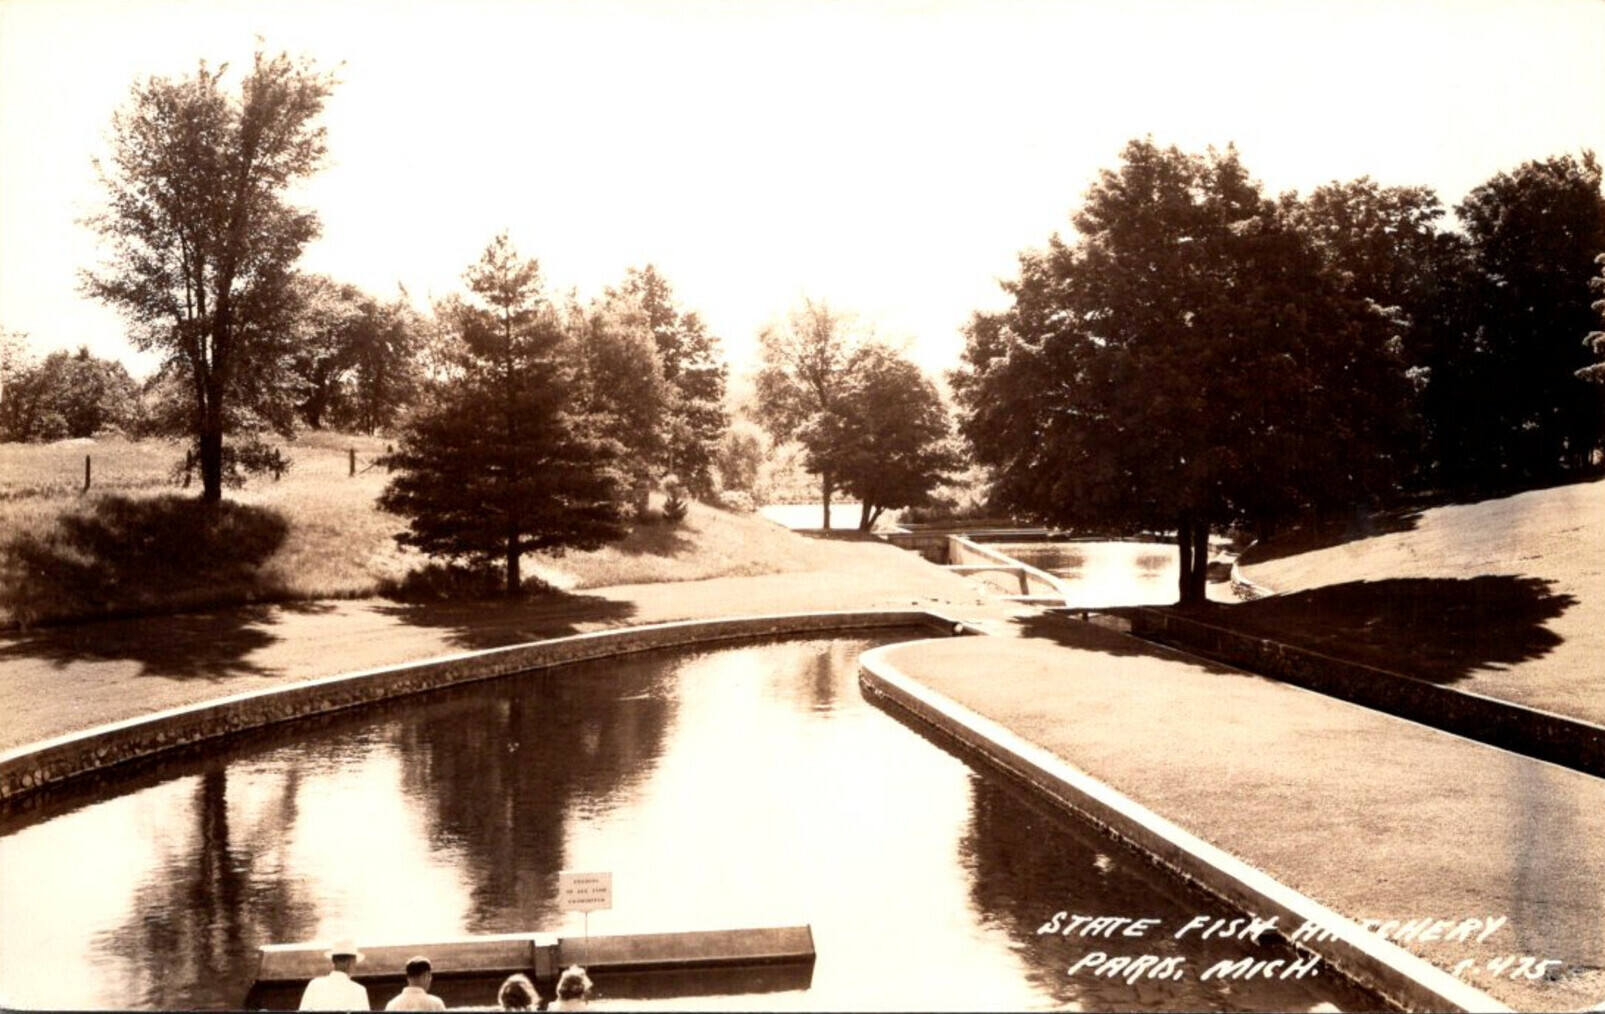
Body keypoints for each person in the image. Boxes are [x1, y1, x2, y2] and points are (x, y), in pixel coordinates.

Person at [299, 939, 371, 1011]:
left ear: (333, 960)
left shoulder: (314, 985)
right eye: (355, 962)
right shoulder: (359, 991)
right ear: (350, 963)